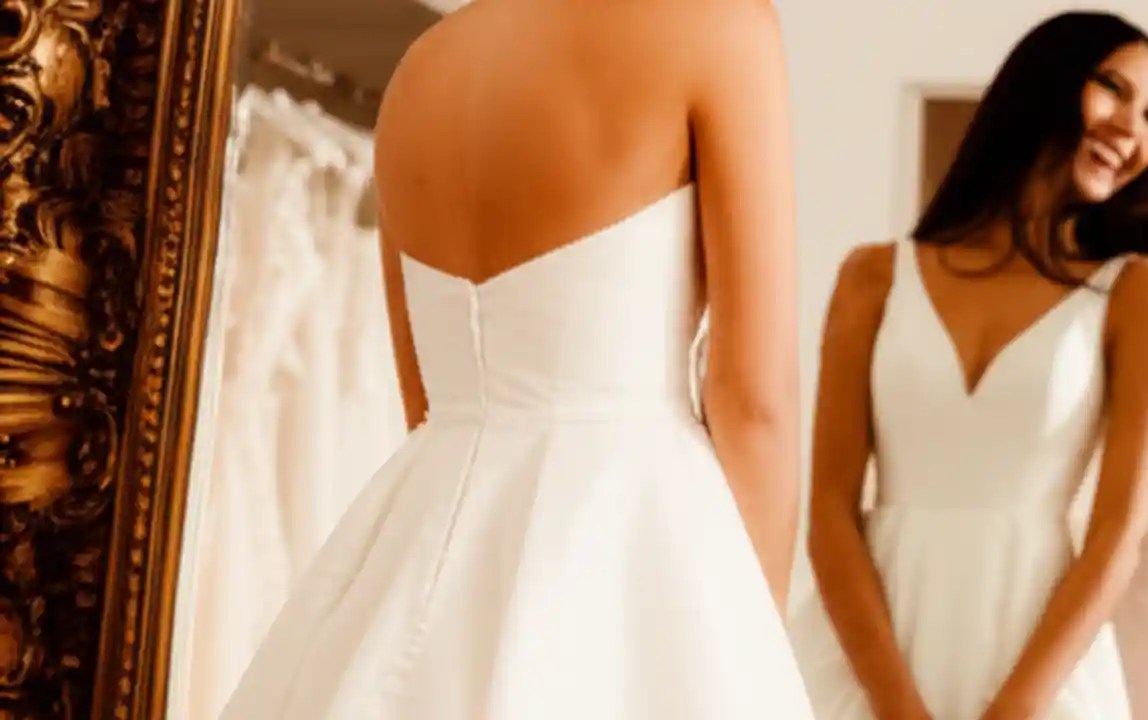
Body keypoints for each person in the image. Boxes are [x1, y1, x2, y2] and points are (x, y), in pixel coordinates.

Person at [220, 0, 815, 717]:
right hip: (632, 542)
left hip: (422, 533)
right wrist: (747, 645)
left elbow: (425, 404)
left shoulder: (425, 67)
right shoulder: (717, 25)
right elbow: (754, 403)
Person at [790, 11, 1148, 720]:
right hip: (867, 654)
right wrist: (894, 704)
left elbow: (1116, 536)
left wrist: (1018, 708)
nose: (1134, 129)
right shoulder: (873, 277)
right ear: (1041, 84)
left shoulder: (1140, 294)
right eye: (1113, 88)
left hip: (1039, 664)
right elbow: (828, 510)